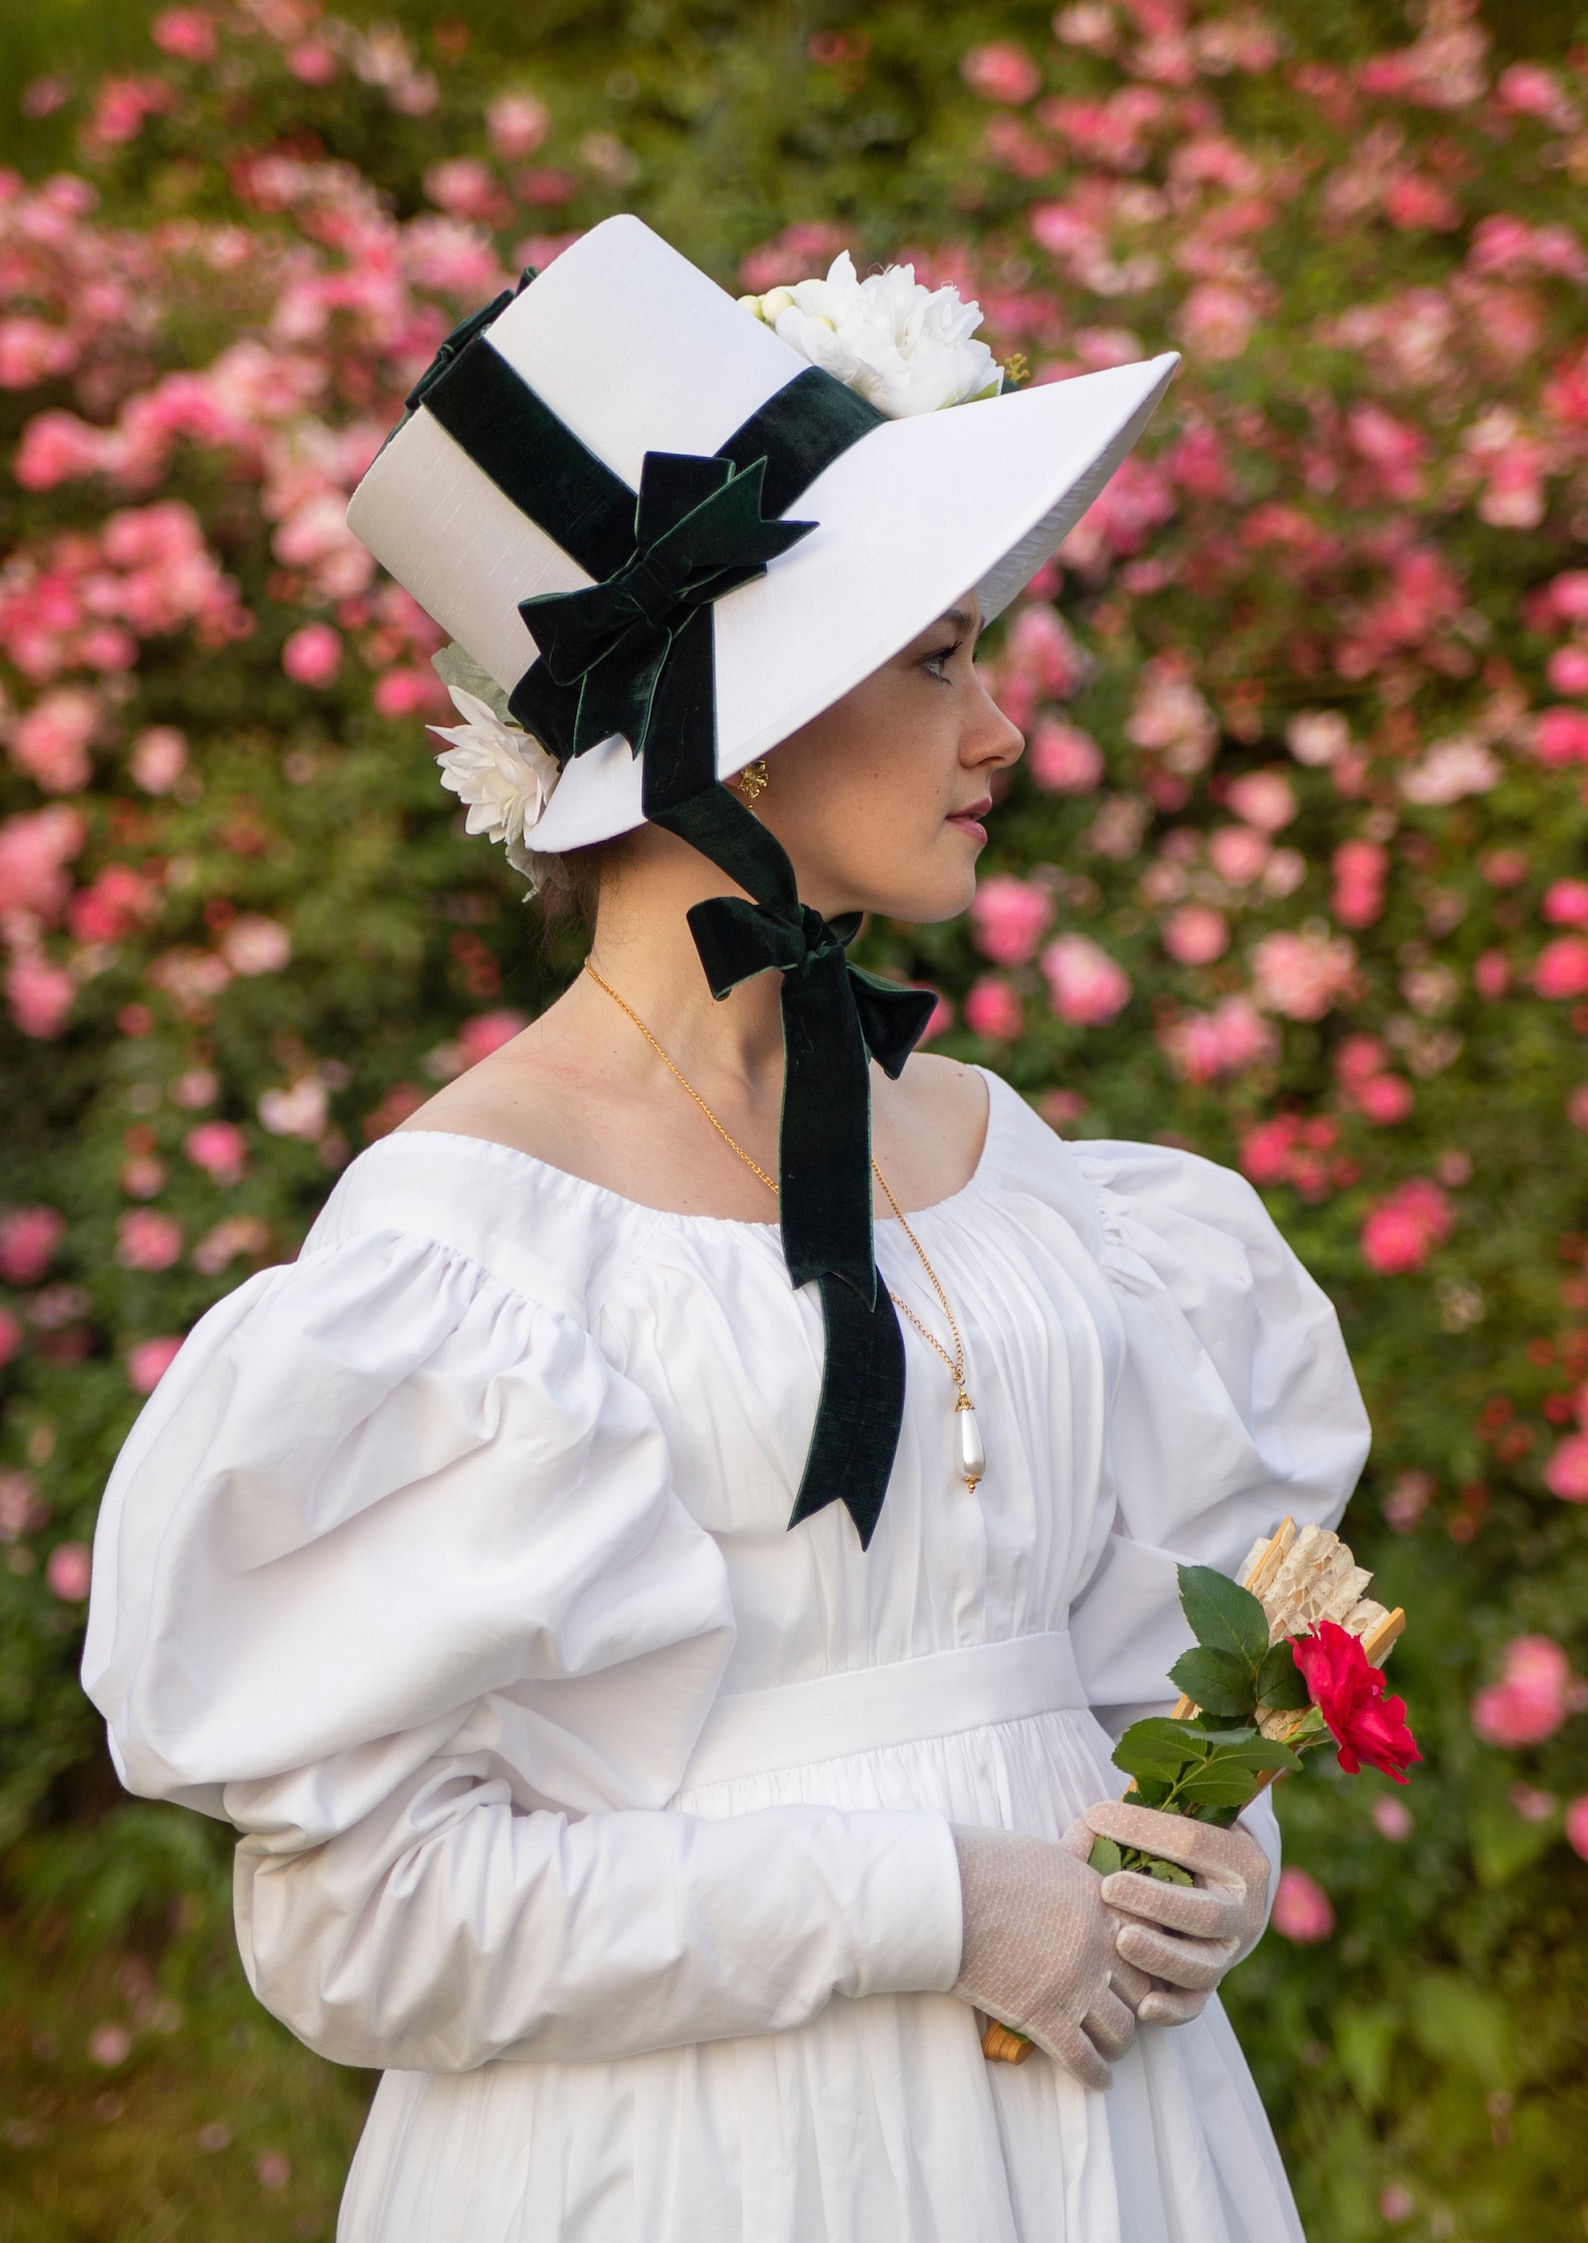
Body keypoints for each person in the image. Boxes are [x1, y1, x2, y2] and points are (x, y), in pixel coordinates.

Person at [84, 218, 1370, 2242]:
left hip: (1106, 2156)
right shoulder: (472, 1259)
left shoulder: (1037, 1184)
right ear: (741, 717)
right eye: (936, 656)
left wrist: (1206, 1849)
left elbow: (1115, 1687)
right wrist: (923, 1902)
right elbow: (370, 1932)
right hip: (699, 2170)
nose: (999, 735)